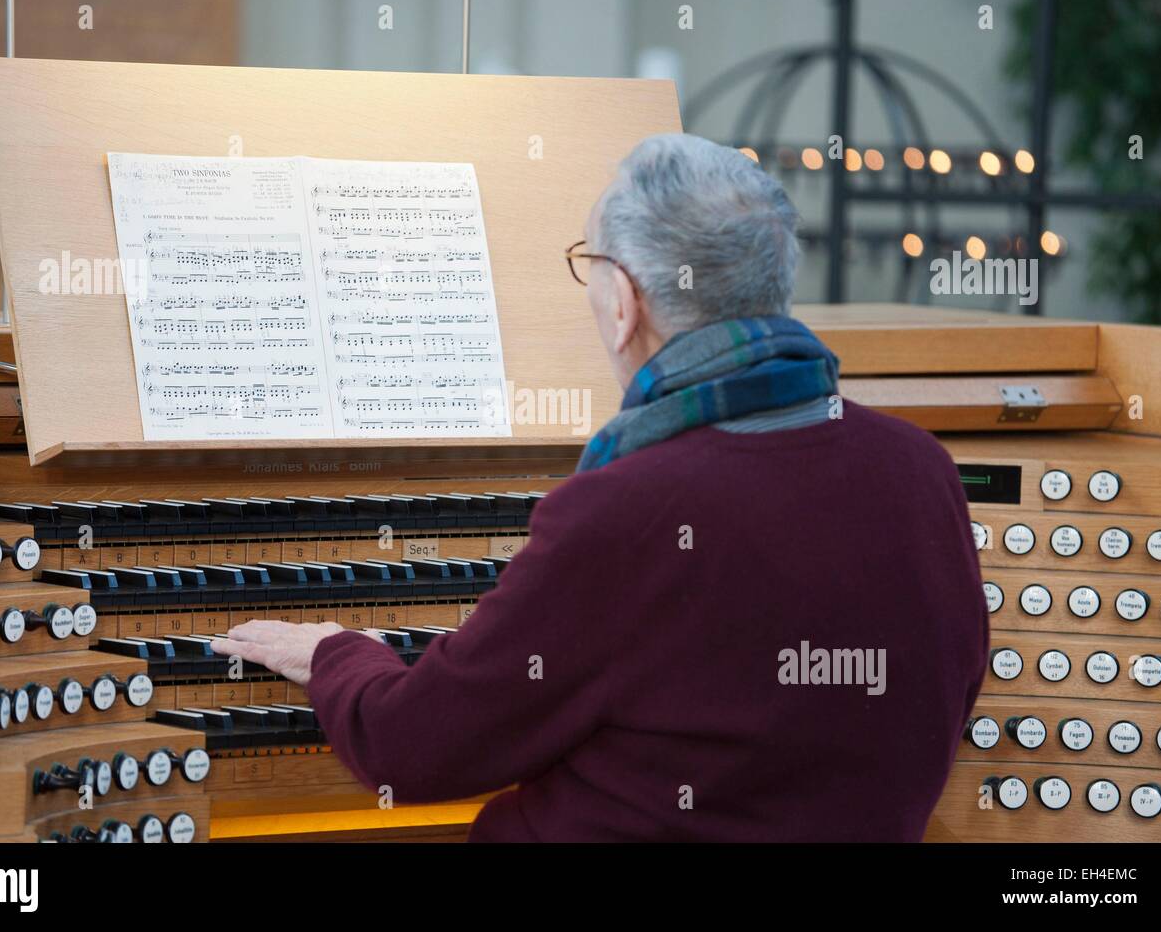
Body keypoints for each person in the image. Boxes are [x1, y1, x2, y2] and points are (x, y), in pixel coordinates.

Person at [212, 133, 988, 842]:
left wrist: (339, 654)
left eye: (590, 266)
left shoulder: (634, 510)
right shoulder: (919, 468)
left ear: (625, 302)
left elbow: (412, 750)